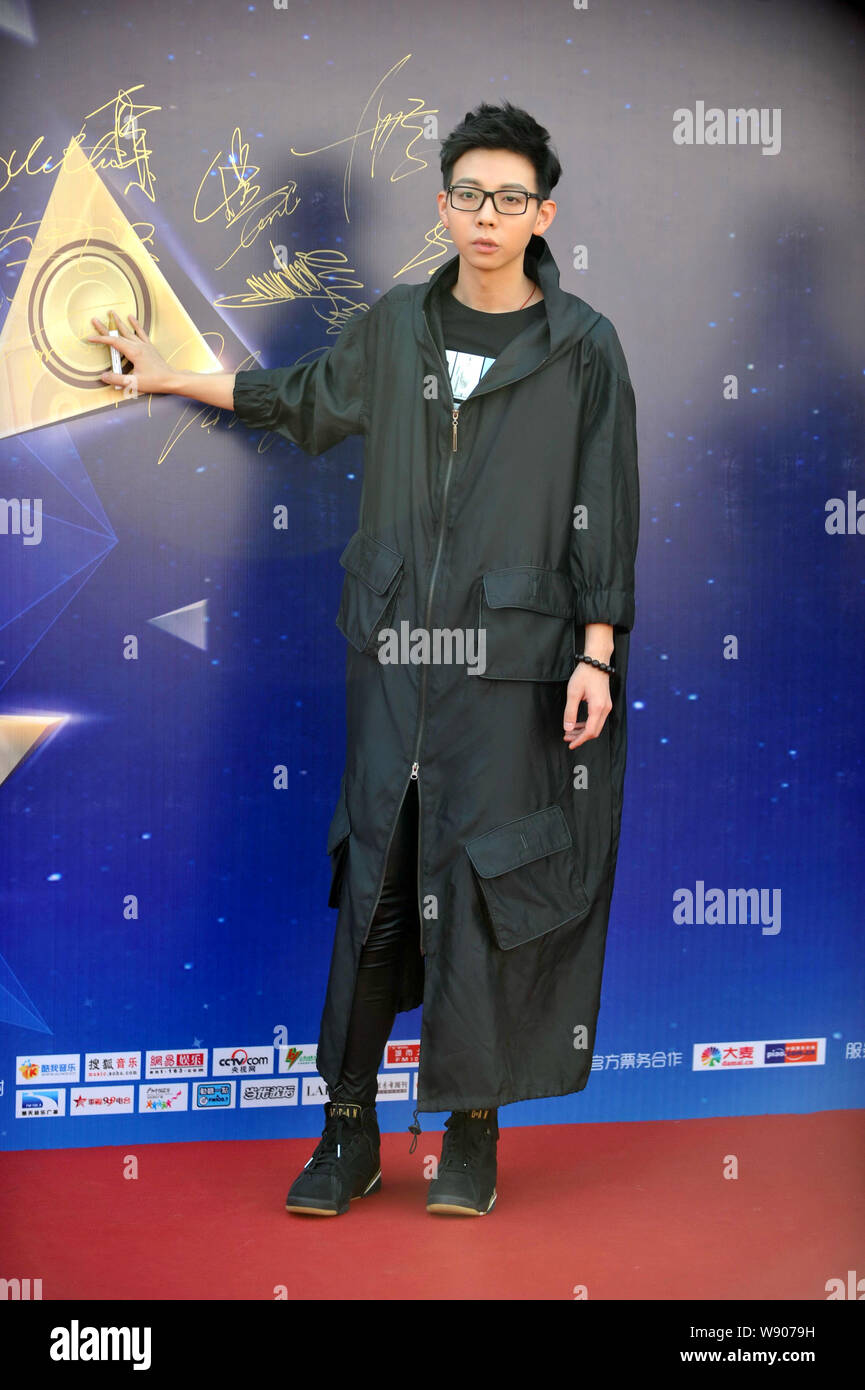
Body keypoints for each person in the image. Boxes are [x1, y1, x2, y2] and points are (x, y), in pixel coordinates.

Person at [86, 100, 639, 1220]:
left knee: (489, 885)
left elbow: (605, 506)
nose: (488, 216)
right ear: (443, 207)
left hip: (516, 669)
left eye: (511, 198)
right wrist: (162, 377)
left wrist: (596, 653)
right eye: (469, 195)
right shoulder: (395, 329)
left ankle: (472, 1133)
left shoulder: (582, 345)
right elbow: (293, 399)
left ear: (543, 213)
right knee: (378, 880)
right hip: (391, 659)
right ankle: (348, 1130)